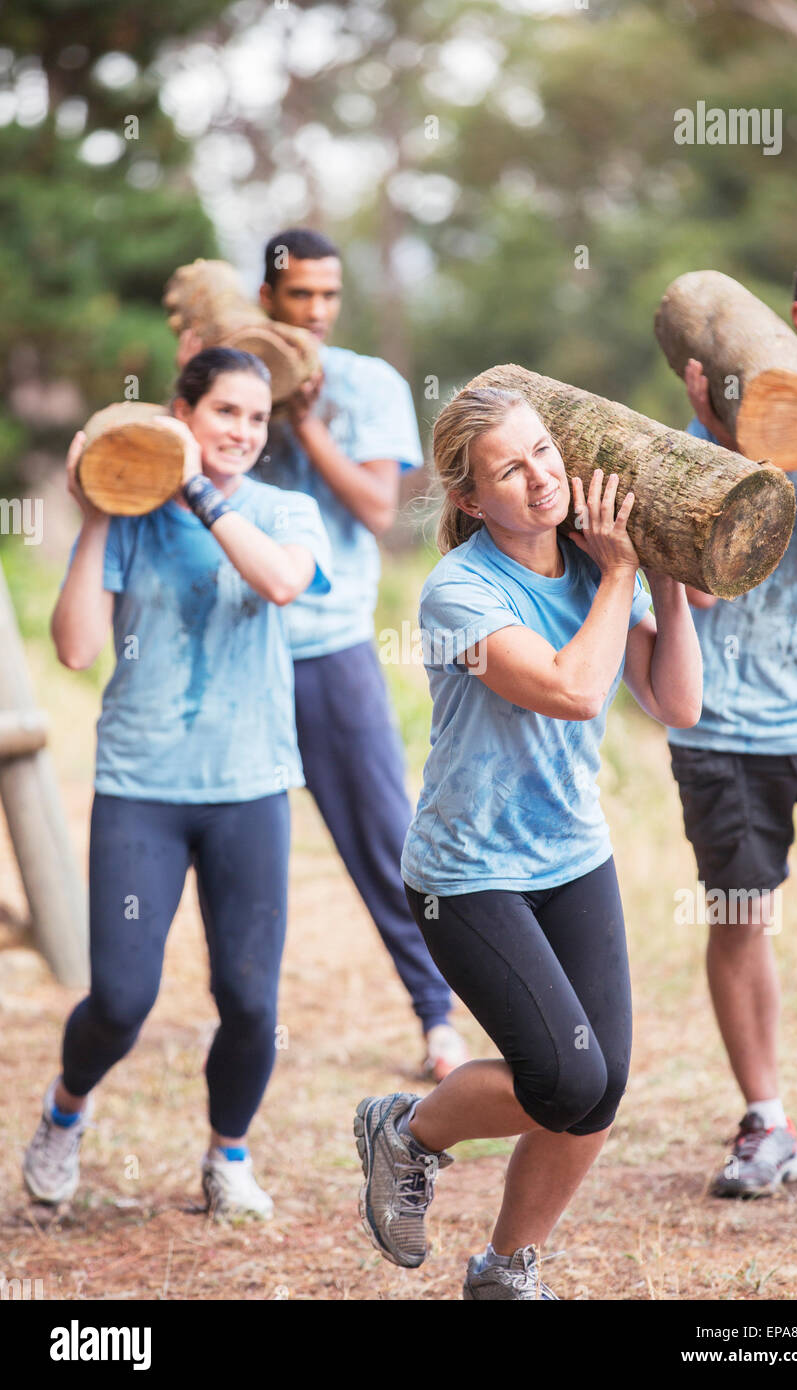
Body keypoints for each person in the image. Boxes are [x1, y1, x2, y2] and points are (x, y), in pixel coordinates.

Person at [353, 387, 702, 1299]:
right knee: (563, 1079)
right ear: (469, 499)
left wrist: (663, 571)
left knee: (604, 1085)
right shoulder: (458, 592)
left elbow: (677, 705)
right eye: (511, 469)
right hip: (468, 874)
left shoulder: (594, 564)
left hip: (572, 855)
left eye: (545, 452)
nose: (542, 478)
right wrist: (622, 576)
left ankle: (506, 1267)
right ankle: (408, 1130)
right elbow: (572, 690)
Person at [22, 348, 332, 1221]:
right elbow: (78, 649)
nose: (240, 430)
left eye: (254, 418)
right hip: (141, 787)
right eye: (223, 412)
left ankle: (228, 1153)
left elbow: (277, 583)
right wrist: (97, 510)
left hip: (250, 789)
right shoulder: (131, 515)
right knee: (120, 998)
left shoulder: (282, 510)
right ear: (181, 413)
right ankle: (64, 1110)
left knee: (248, 999)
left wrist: (199, 490)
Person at [669, 238, 797, 1198]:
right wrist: (720, 441)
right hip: (728, 726)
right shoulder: (722, 420)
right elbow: (701, 598)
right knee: (742, 914)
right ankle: (768, 1123)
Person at [251, 227, 467, 1080]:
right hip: (243, 652)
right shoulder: (236, 380)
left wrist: (307, 429)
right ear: (266, 296)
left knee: (384, 839)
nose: (314, 312)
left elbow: (380, 506)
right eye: (299, 295)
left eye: (328, 296)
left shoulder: (368, 384)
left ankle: (439, 1018)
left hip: (330, 644)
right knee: (240, 843)